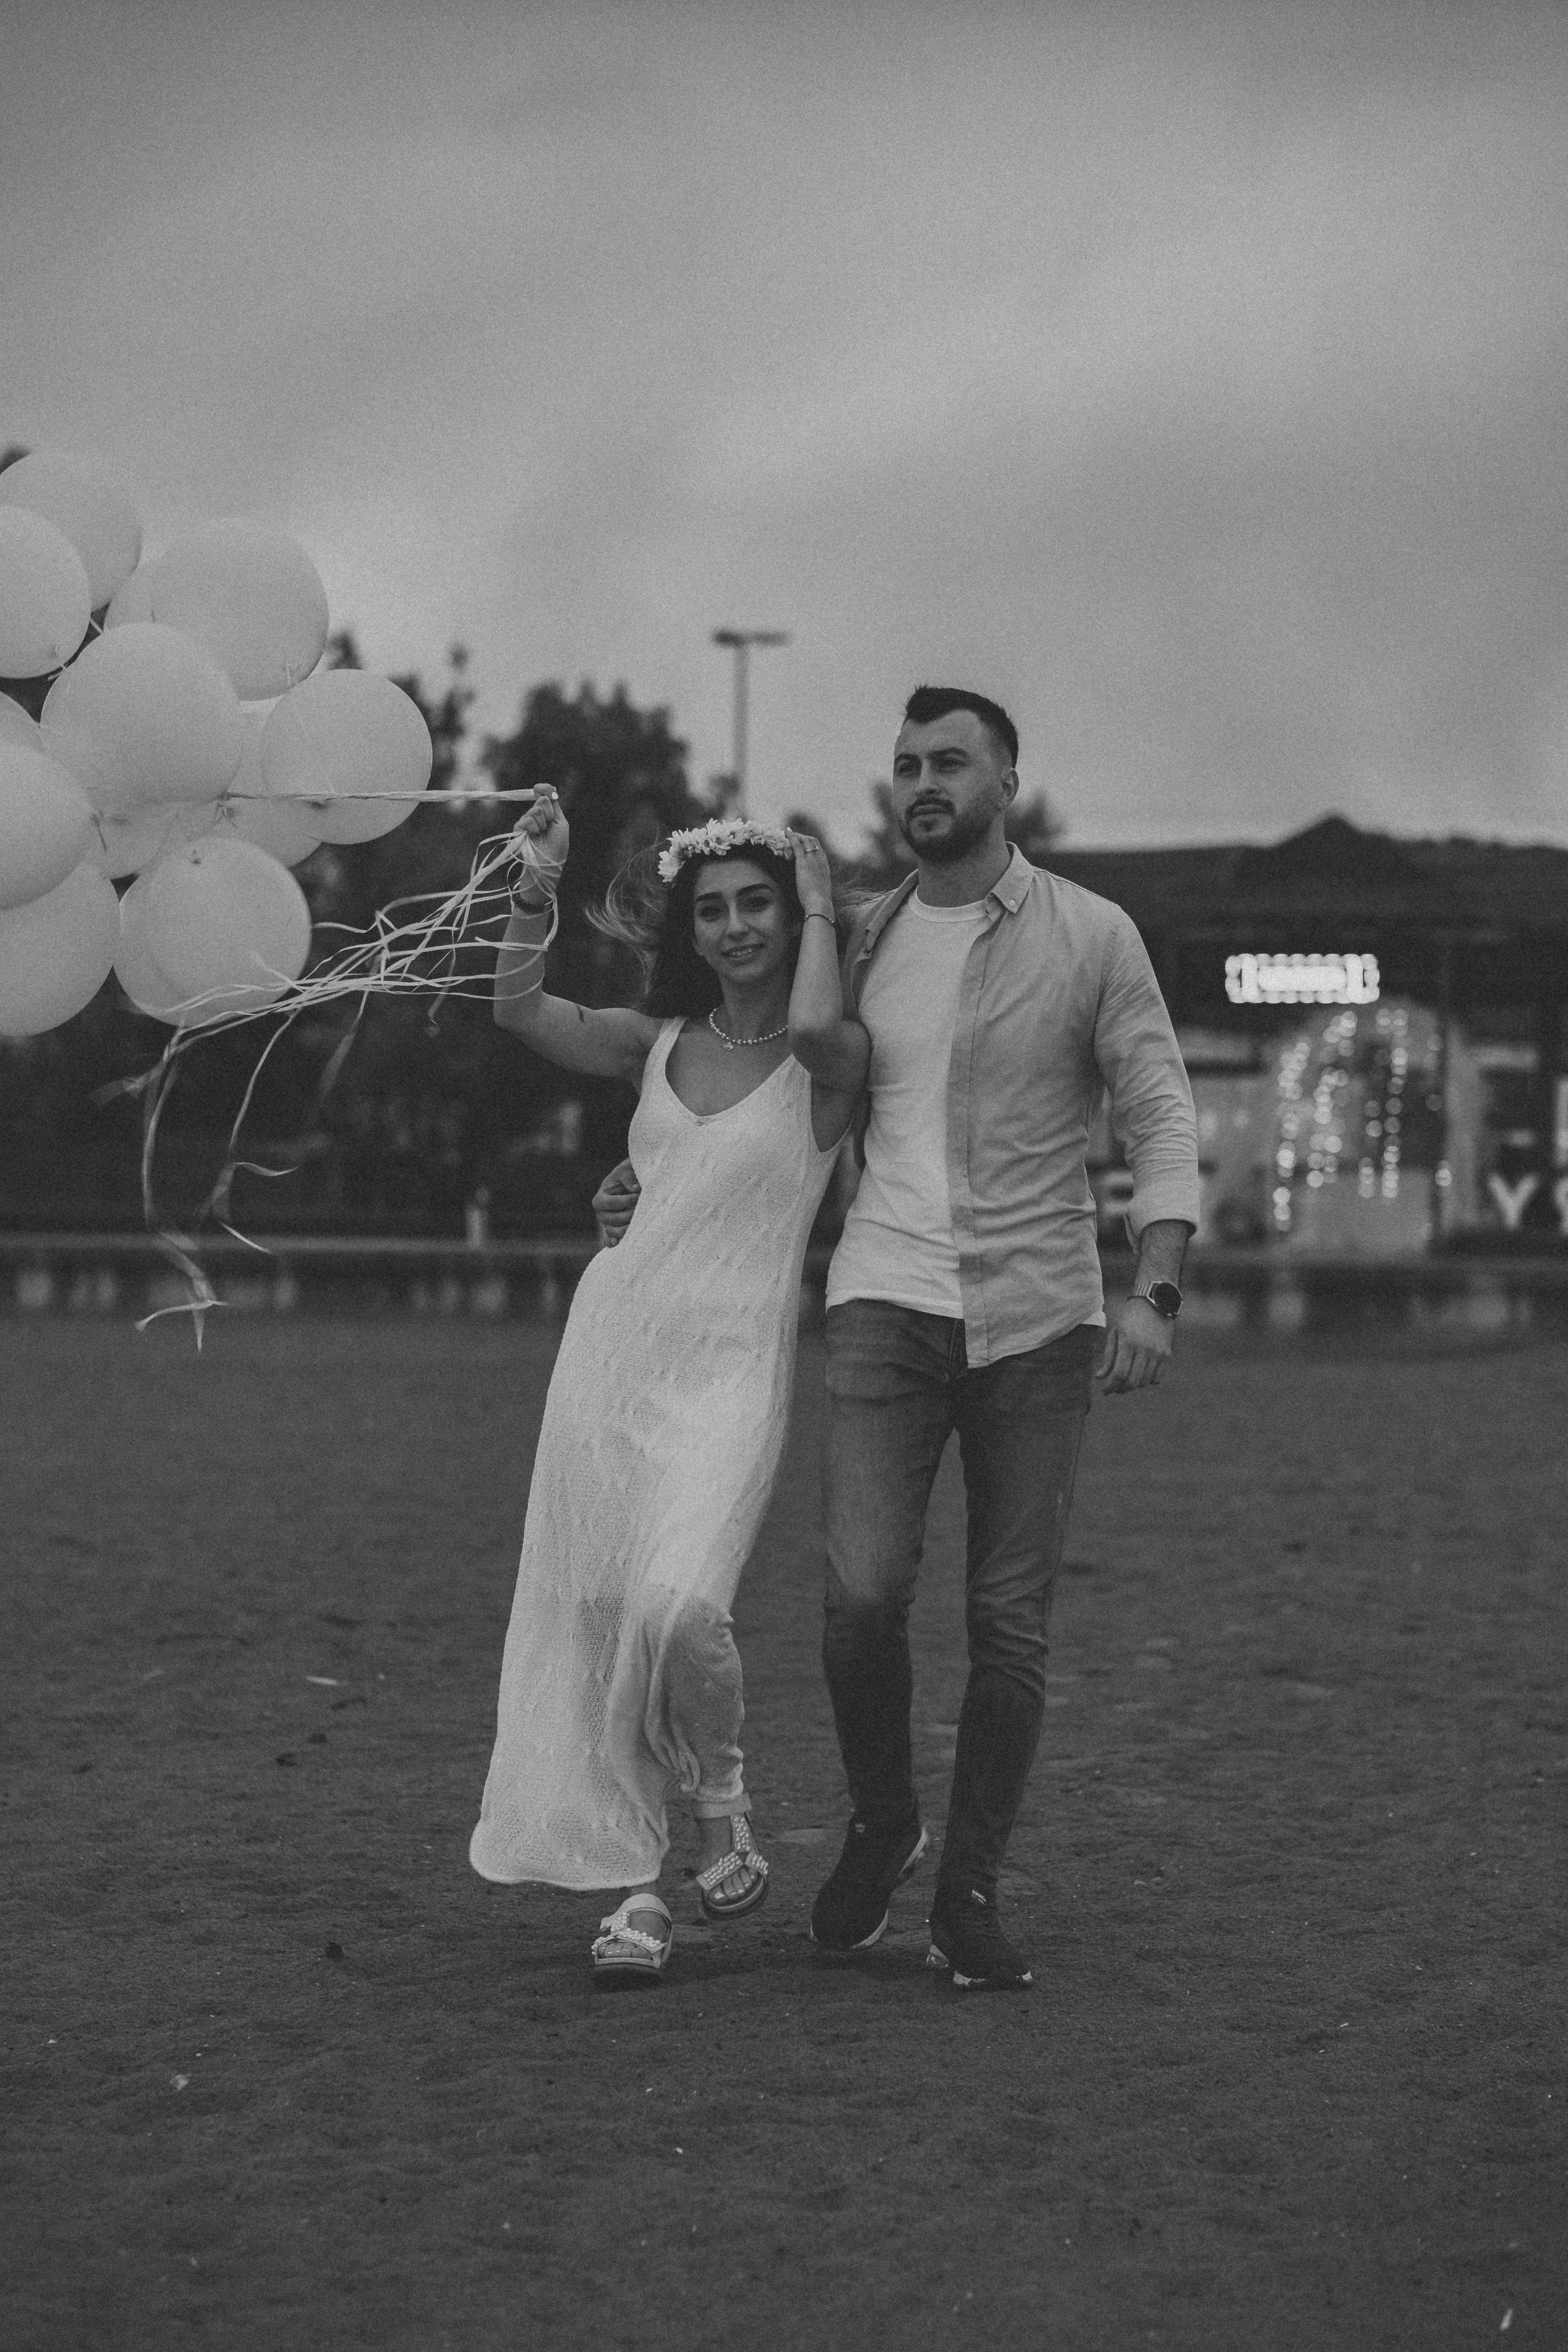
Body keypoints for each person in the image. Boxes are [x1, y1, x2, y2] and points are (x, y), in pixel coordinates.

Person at [596, 687, 1199, 1991]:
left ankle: (967, 1891)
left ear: (1006, 783)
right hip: (883, 1302)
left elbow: (1159, 1110)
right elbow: (748, 1055)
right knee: (861, 1598)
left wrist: (1156, 1285)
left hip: (1041, 1318)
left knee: (1008, 1624)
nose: (925, 782)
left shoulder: (1094, 936)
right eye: (909, 764)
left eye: (950, 763)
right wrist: (650, 1176)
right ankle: (885, 1820)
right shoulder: (856, 935)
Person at [469, 787, 868, 1986]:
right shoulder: (652, 1043)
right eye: (715, 910)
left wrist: (819, 897)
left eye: (758, 905)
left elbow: (815, 1025)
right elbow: (518, 1007)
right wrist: (534, 885)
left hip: (733, 1372)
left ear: (791, 922)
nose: (737, 927)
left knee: (680, 1609)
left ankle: (723, 1802)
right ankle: (639, 1892)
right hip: (611, 1354)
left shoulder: (832, 1060)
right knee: (603, 1621)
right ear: (690, 930)